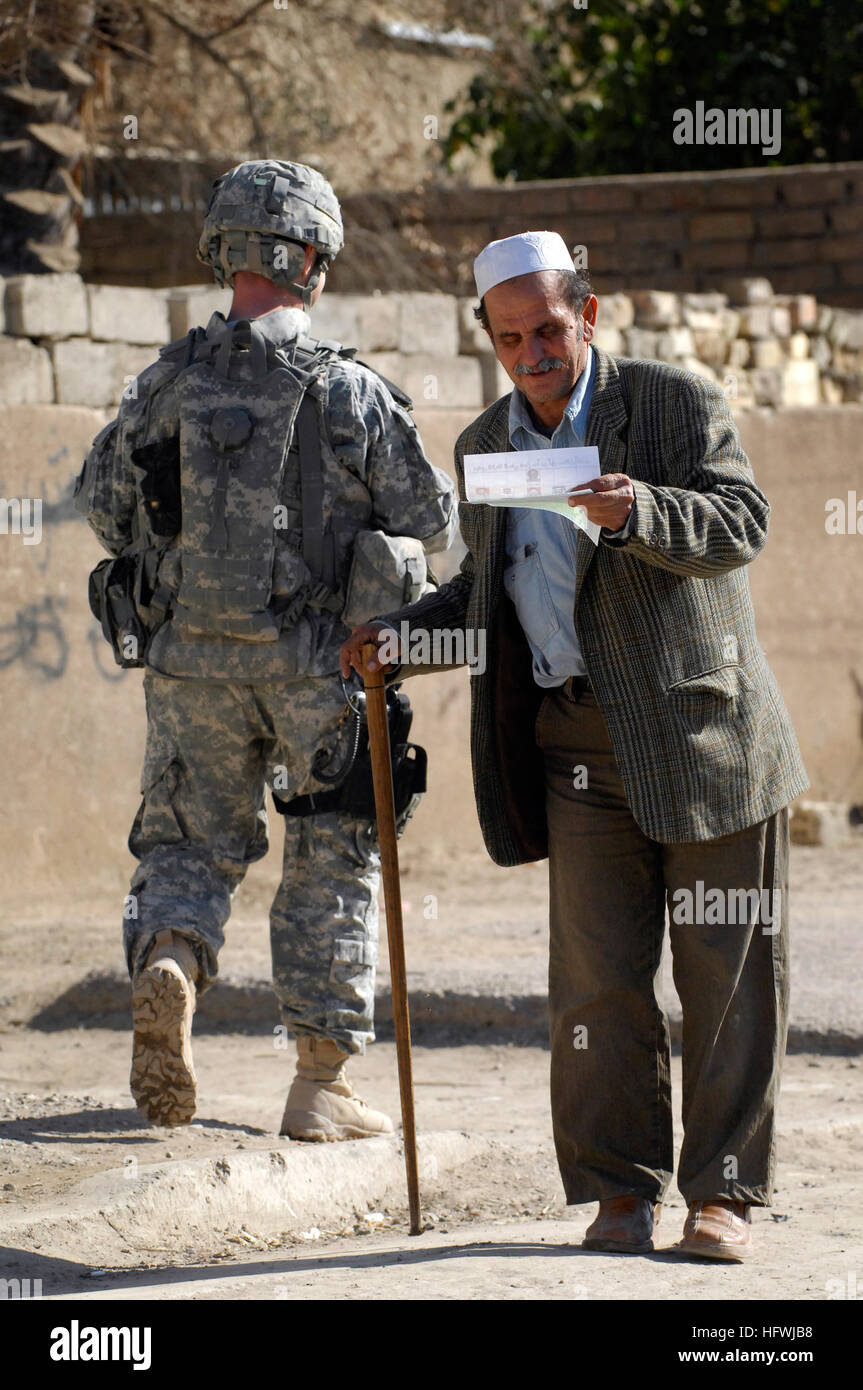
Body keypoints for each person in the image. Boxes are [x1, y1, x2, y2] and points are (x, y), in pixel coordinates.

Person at [342, 230, 808, 1261]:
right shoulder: (484, 450)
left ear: (586, 317)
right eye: (508, 338)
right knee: (595, 985)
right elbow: (482, 594)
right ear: (489, 342)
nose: (530, 353)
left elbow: (741, 519)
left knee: (724, 973)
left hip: (701, 733)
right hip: (574, 750)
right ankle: (616, 1190)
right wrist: (401, 640)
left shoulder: (669, 401)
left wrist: (639, 507)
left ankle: (721, 1193)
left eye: (545, 329)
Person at [75, 159, 456, 1139]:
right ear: (314, 263)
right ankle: (318, 1085)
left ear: (221, 254)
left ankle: (171, 960)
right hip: (322, 669)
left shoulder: (162, 384)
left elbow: (104, 510)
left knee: (189, 841)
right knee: (334, 849)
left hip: (190, 667)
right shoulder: (351, 391)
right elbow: (426, 520)